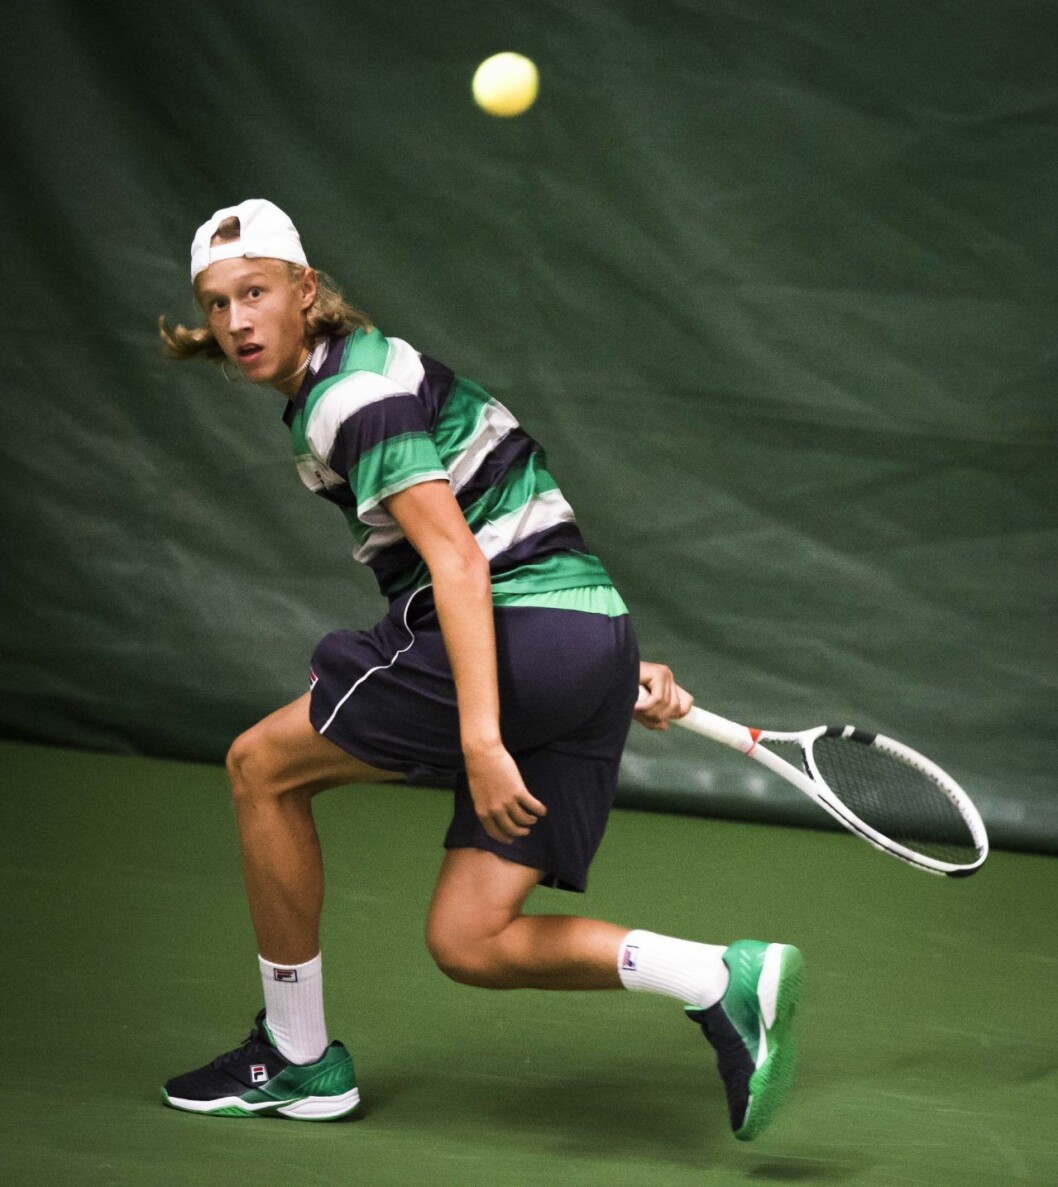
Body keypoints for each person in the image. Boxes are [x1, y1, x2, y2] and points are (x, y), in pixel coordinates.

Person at [157, 199, 803, 1141]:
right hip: (587, 632)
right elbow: (515, 516)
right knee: (471, 938)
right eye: (217, 305)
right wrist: (600, 660)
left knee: (262, 768)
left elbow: (459, 559)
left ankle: (295, 1058)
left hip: (517, 634)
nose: (237, 322)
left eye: (254, 293)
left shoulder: (351, 396)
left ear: (305, 289)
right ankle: (719, 978)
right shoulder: (376, 366)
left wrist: (482, 735)